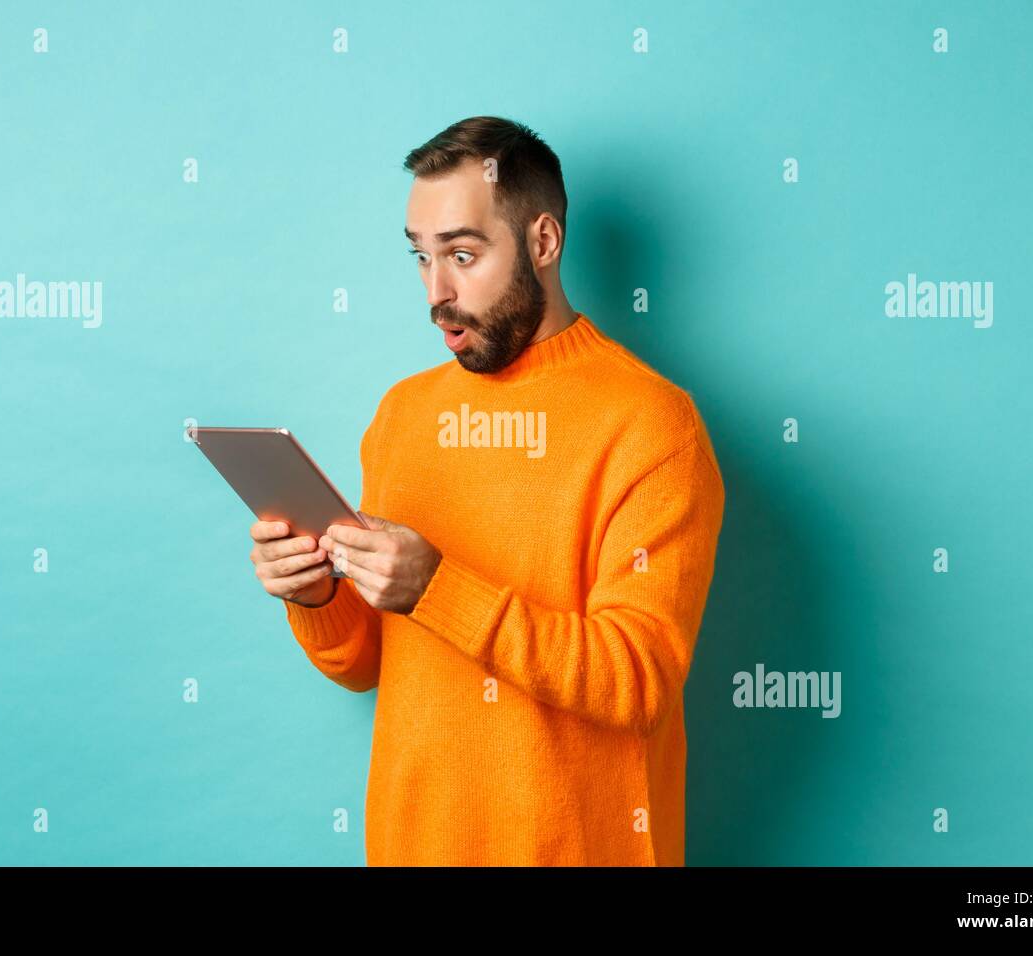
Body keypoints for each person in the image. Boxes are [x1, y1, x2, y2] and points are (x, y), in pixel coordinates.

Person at [248, 116, 726, 865]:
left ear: (542, 242)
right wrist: (313, 596)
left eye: (464, 255)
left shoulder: (652, 425)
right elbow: (371, 664)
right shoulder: (402, 415)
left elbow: (639, 679)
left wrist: (437, 587)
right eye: (420, 257)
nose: (437, 292)